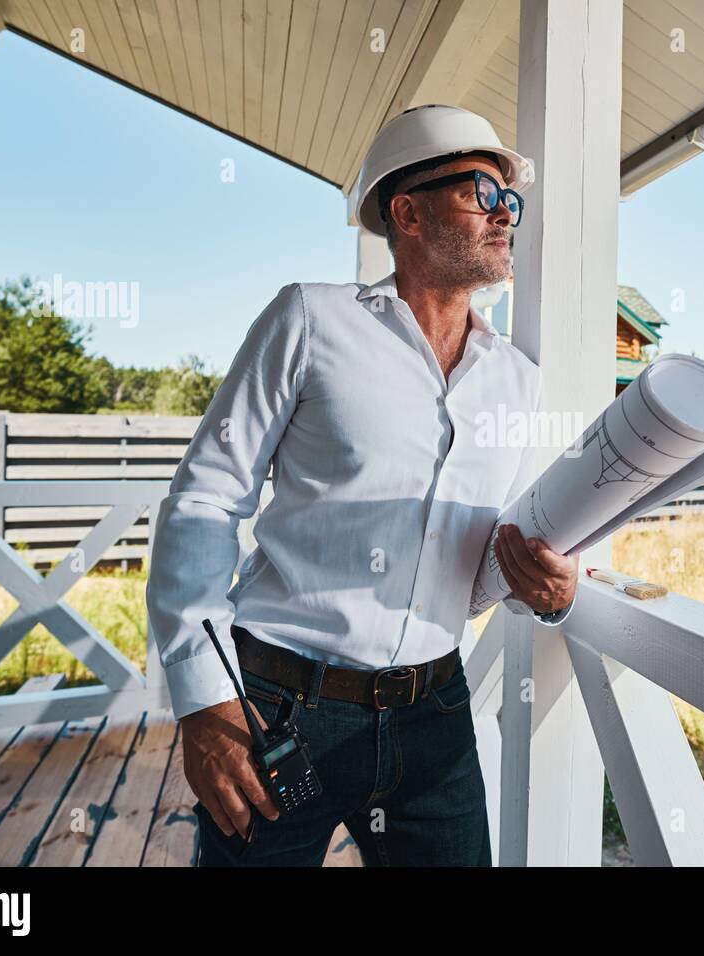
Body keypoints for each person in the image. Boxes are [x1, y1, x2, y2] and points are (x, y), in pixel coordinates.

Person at [145, 104, 579, 867]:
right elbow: (205, 498)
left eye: (512, 201)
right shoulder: (311, 319)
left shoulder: (517, 381)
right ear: (406, 212)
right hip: (278, 709)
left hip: (436, 712)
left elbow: (493, 558)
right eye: (485, 191)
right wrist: (205, 702)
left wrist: (551, 587)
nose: (506, 215)